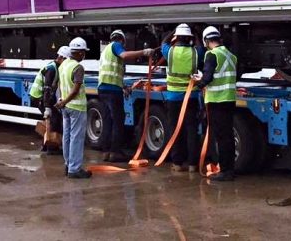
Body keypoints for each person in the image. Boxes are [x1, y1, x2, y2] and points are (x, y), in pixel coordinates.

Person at [97, 30, 153, 163]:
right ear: (122, 40)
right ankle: (115, 152)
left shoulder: (105, 51)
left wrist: (123, 87)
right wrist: (144, 52)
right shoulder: (116, 45)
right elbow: (125, 55)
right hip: (112, 90)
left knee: (108, 121)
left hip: (104, 89)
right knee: (118, 121)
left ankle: (106, 152)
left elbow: (112, 72)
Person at [196, 26, 238, 182]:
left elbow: (207, 77)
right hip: (229, 100)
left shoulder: (212, 55)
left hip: (216, 101)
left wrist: (198, 84)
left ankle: (225, 171)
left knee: (221, 137)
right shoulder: (231, 56)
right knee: (228, 136)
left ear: (206, 41)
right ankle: (230, 169)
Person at [160, 24, 202, 172]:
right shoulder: (196, 53)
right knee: (192, 130)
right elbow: (200, 47)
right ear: (189, 38)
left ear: (176, 37)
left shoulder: (169, 52)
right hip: (191, 97)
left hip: (173, 98)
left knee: (175, 130)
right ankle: (192, 165)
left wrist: (172, 32)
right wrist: (195, 35)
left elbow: (163, 43)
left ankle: (177, 164)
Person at [56, 37, 91, 179]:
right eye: (83, 52)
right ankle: (74, 169)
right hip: (76, 107)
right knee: (76, 138)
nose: (84, 55)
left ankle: (68, 164)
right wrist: (64, 101)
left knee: (67, 137)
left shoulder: (63, 65)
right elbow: (75, 90)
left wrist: (61, 101)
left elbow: (59, 85)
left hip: (65, 108)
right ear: (79, 53)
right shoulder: (78, 67)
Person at [30, 46, 70, 155]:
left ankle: (46, 145)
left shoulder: (57, 68)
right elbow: (47, 88)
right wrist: (47, 107)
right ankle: (51, 148)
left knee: (55, 117)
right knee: (53, 118)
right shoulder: (51, 69)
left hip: (44, 97)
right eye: (66, 59)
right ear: (61, 57)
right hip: (39, 97)